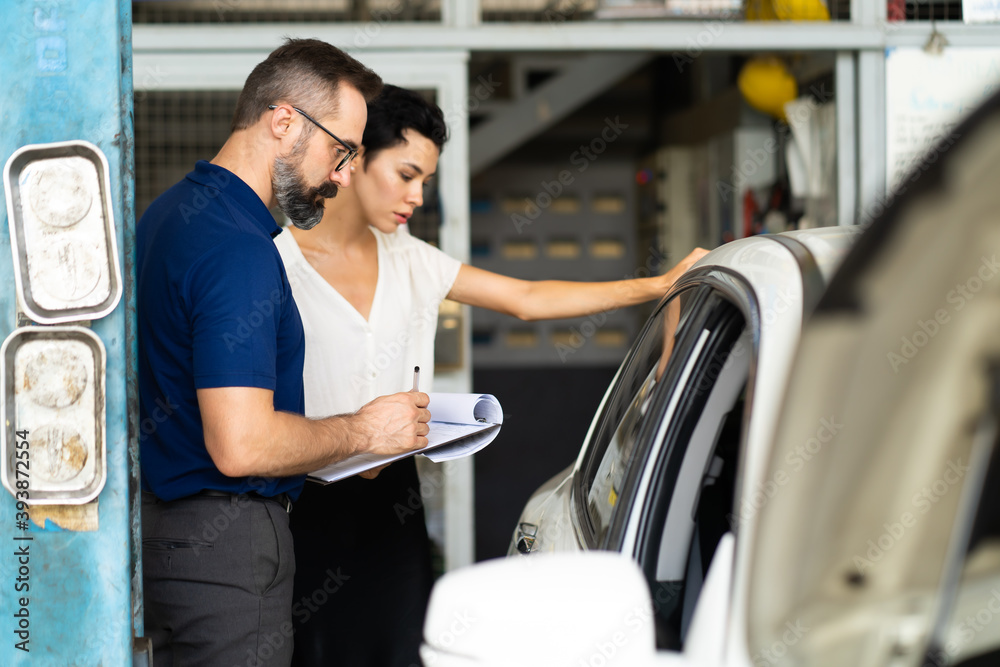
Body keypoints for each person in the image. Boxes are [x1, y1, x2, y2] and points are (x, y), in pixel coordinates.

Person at [275, 84, 708, 667]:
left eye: (425, 180)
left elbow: (527, 298)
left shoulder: (412, 259)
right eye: (406, 174)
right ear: (352, 159)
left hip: (394, 507)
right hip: (304, 507)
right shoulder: (279, 261)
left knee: (401, 652)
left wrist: (656, 286)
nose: (417, 196)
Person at [136, 41, 433, 666]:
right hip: (225, 556)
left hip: (162, 539)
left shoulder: (167, 217)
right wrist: (363, 429)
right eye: (341, 150)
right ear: (284, 121)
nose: (344, 175)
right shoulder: (238, 250)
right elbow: (240, 445)